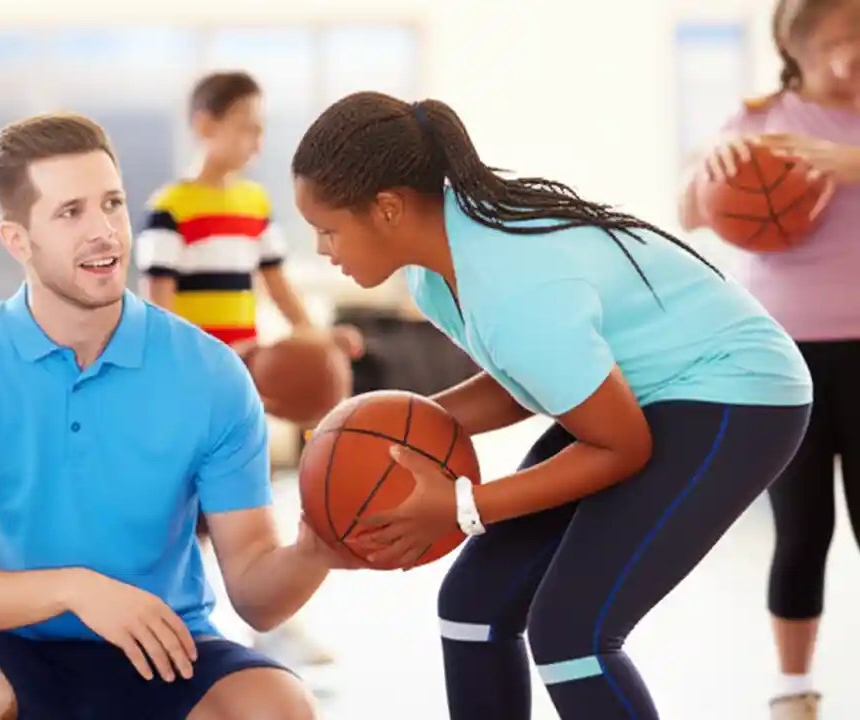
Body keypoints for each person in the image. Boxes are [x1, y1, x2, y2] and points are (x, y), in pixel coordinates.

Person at [290, 91, 813, 720]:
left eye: (327, 230)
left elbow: (621, 447)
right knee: (474, 606)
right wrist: (377, 434)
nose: (323, 249)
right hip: (640, 397)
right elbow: (531, 376)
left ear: (389, 209)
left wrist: (461, 507)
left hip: (736, 394)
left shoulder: (513, 285)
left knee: (573, 635)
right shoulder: (432, 272)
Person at [0, 112, 337, 720]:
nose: (104, 232)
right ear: (18, 240)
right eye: (70, 213)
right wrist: (75, 589)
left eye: (112, 204)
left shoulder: (211, 373)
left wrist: (318, 547)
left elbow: (254, 592)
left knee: (279, 706)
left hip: (164, 649)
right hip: (8, 648)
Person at [136, 69, 360, 670]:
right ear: (205, 125)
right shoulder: (168, 209)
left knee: (251, 510)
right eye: (245, 128)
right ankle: (163, 623)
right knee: (183, 518)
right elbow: (159, 304)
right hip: (188, 385)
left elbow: (279, 288)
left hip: (245, 387)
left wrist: (319, 336)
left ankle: (273, 627)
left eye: (261, 131)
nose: (256, 143)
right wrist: (192, 365)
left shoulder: (254, 205)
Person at [679, 1, 860, 717]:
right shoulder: (758, 120)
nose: (851, 58)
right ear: (799, 47)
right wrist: (709, 170)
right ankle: (793, 689)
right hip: (785, 360)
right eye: (838, 43)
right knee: (801, 525)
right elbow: (689, 210)